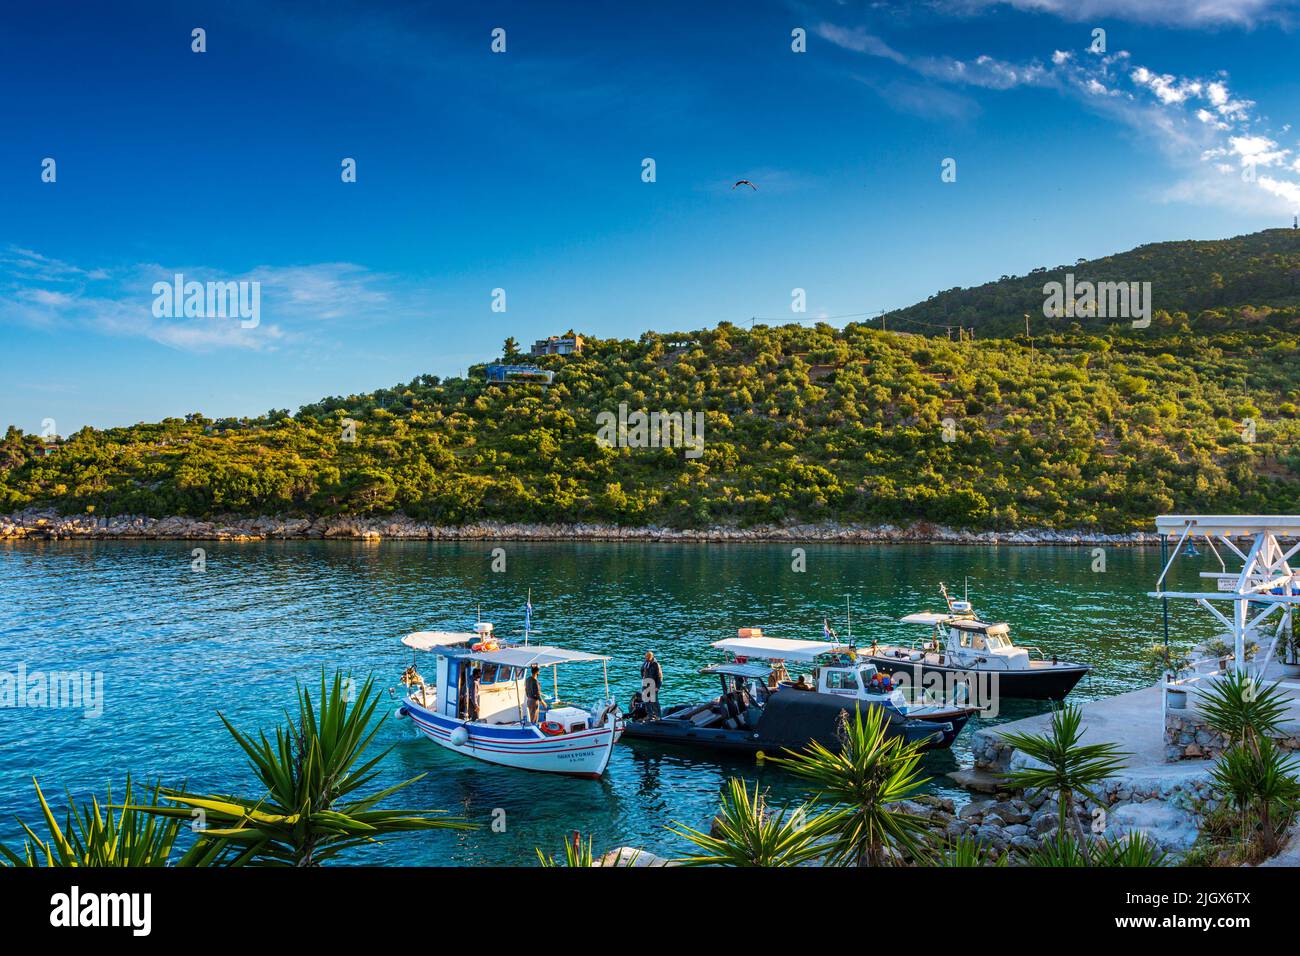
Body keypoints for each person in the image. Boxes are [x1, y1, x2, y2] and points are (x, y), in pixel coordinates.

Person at [641, 651, 663, 719]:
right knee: (646, 700)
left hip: (653, 683)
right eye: (646, 657)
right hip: (646, 683)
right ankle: (650, 715)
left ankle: (658, 716)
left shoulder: (656, 664)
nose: (647, 658)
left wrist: (658, 687)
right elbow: (642, 671)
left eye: (648, 657)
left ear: (651, 657)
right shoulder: (645, 663)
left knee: (654, 701)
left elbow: (660, 676)